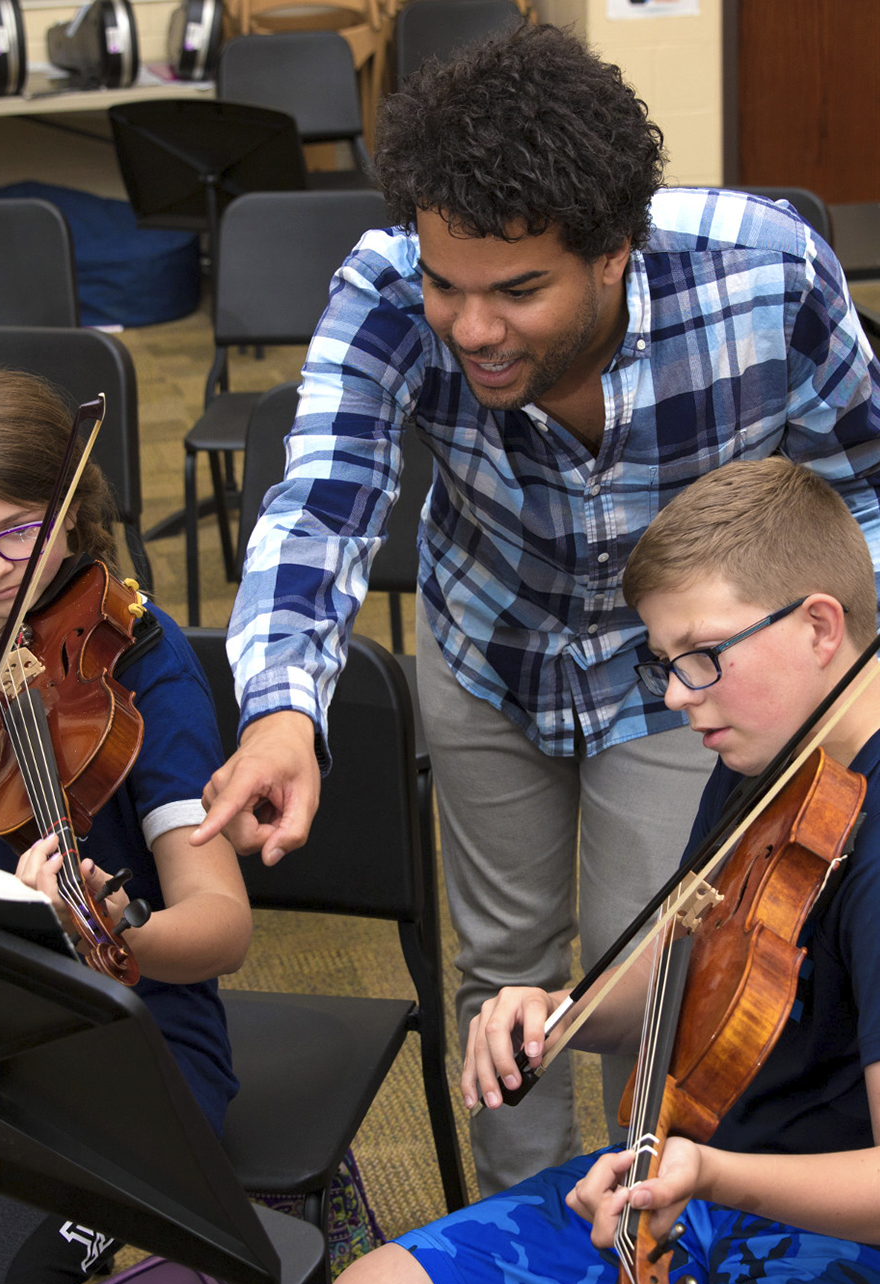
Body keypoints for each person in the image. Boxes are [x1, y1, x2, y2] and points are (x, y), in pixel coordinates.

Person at [191, 21, 880, 1193]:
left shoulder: (766, 272)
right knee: (500, 977)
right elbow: (320, 505)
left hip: (676, 683)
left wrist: (827, 674)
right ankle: (526, 1226)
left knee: (657, 986)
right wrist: (279, 713)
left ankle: (637, 1218)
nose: (470, 327)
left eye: (516, 290)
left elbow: (863, 481)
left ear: (613, 252)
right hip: (490, 646)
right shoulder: (385, 286)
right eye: (447, 286)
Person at [325, 455, 880, 1284]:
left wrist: (712, 1176)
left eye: (700, 654)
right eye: (665, 662)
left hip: (824, 1223)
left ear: (819, 626)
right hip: (696, 1181)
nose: (679, 697)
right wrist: (562, 1014)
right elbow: (688, 961)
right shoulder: (772, 750)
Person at [0, 368, 252, 1284]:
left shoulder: (143, 664)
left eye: (16, 532)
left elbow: (222, 924)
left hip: (126, 1051)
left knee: (2, 1283)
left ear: (72, 510)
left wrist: (117, 929)